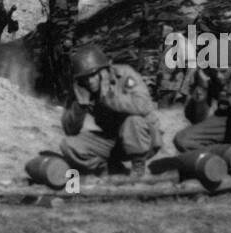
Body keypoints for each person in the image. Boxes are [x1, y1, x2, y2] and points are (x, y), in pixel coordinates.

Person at [59, 45, 163, 176]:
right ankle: (108, 168)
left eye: (93, 75)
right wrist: (80, 106)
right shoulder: (82, 88)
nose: (89, 81)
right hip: (114, 141)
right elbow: (69, 130)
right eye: (84, 78)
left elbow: (144, 106)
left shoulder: (124, 75)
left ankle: (138, 166)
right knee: (68, 145)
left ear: (105, 70)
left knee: (132, 121)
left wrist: (108, 98)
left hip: (144, 139)